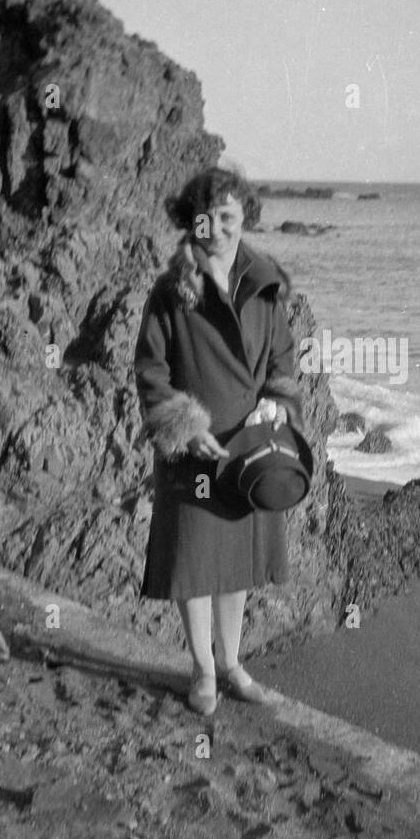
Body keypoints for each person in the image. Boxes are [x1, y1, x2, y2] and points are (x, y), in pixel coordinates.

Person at [133, 161, 303, 715]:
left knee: (237, 564)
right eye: (208, 217)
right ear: (193, 222)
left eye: (230, 216)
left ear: (243, 216)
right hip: (195, 452)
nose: (220, 228)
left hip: (250, 448)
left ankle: (231, 663)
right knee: (195, 562)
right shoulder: (170, 290)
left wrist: (278, 400)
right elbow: (150, 369)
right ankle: (203, 671)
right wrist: (186, 426)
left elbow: (283, 357)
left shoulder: (266, 283)